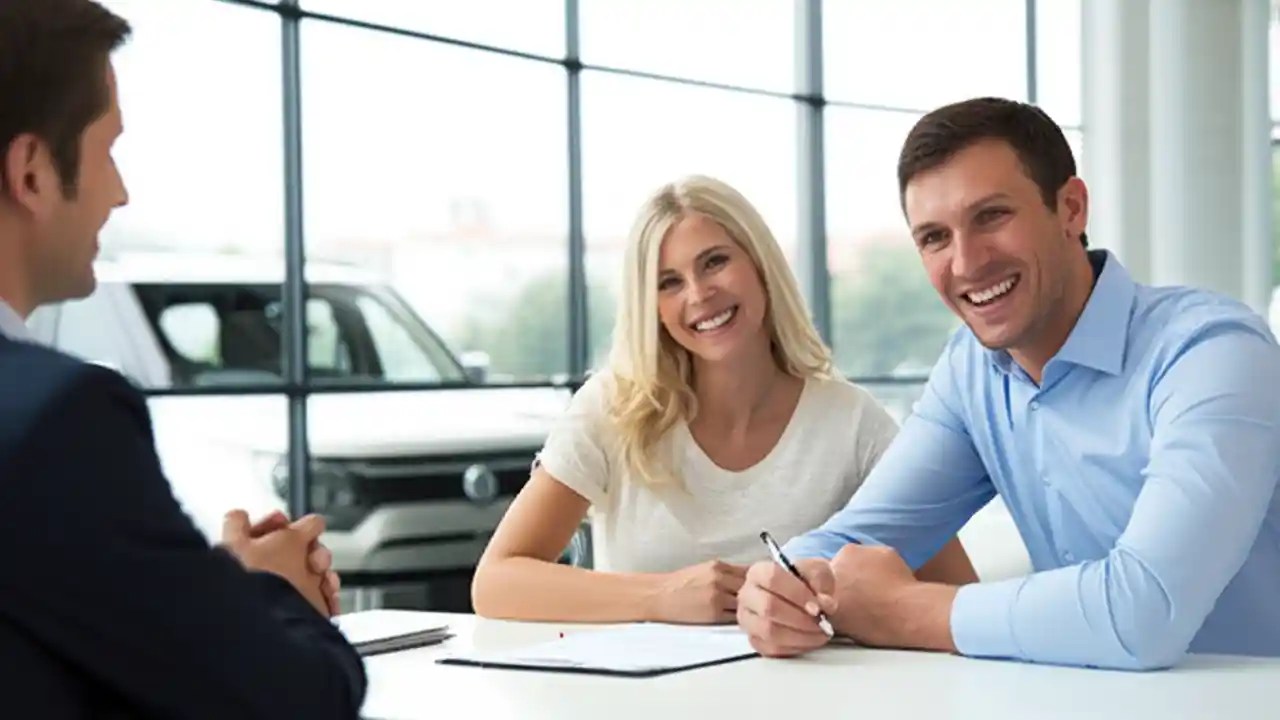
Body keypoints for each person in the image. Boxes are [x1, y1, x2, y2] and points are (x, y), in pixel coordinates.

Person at [735, 96, 1280, 671]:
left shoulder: (1213, 352)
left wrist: (905, 611)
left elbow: (1145, 612)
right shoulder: (971, 372)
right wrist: (781, 586)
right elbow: (857, 541)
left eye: (991, 216)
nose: (967, 263)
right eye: (934, 238)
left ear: (1071, 209)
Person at [0, 1, 366, 715]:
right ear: (33, 172)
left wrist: (199, 591)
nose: (119, 191)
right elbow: (296, 698)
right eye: (108, 151)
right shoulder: (55, 420)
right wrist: (269, 592)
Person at [471, 174, 976, 624]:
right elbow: (496, 582)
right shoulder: (612, 409)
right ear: (653, 308)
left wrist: (840, 600)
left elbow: (956, 596)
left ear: (759, 264)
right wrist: (661, 596)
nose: (698, 294)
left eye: (714, 262)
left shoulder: (852, 422)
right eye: (669, 283)